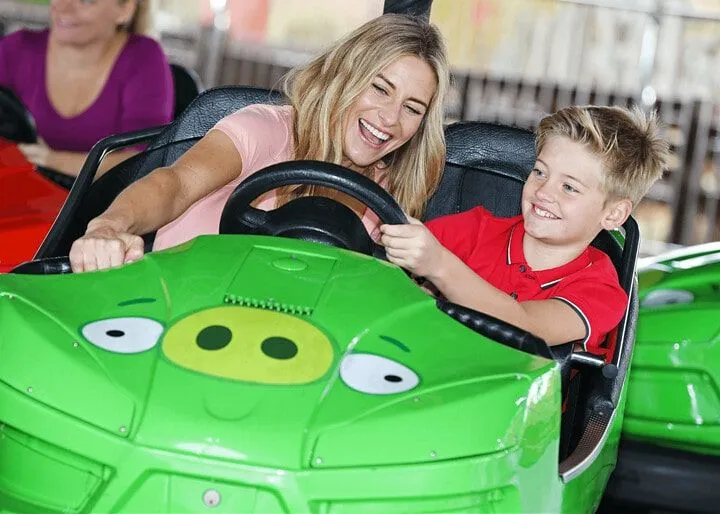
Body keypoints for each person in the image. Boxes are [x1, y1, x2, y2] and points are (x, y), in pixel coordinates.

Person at [68, 13, 450, 272]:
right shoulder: (266, 131)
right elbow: (175, 184)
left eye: (412, 108)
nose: (390, 118)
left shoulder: (390, 194)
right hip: (182, 305)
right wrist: (108, 227)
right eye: (380, 89)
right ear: (344, 76)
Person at [380, 105, 670, 356]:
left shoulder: (601, 291)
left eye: (569, 187)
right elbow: (379, 270)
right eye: (540, 172)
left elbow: (525, 326)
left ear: (613, 214)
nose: (543, 191)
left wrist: (439, 266)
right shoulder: (473, 229)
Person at [0, 0, 174, 178]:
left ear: (125, 9)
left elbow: (145, 160)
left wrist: (51, 160)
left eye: (86, 1)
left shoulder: (144, 58)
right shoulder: (15, 49)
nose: (63, 7)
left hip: (105, 203)